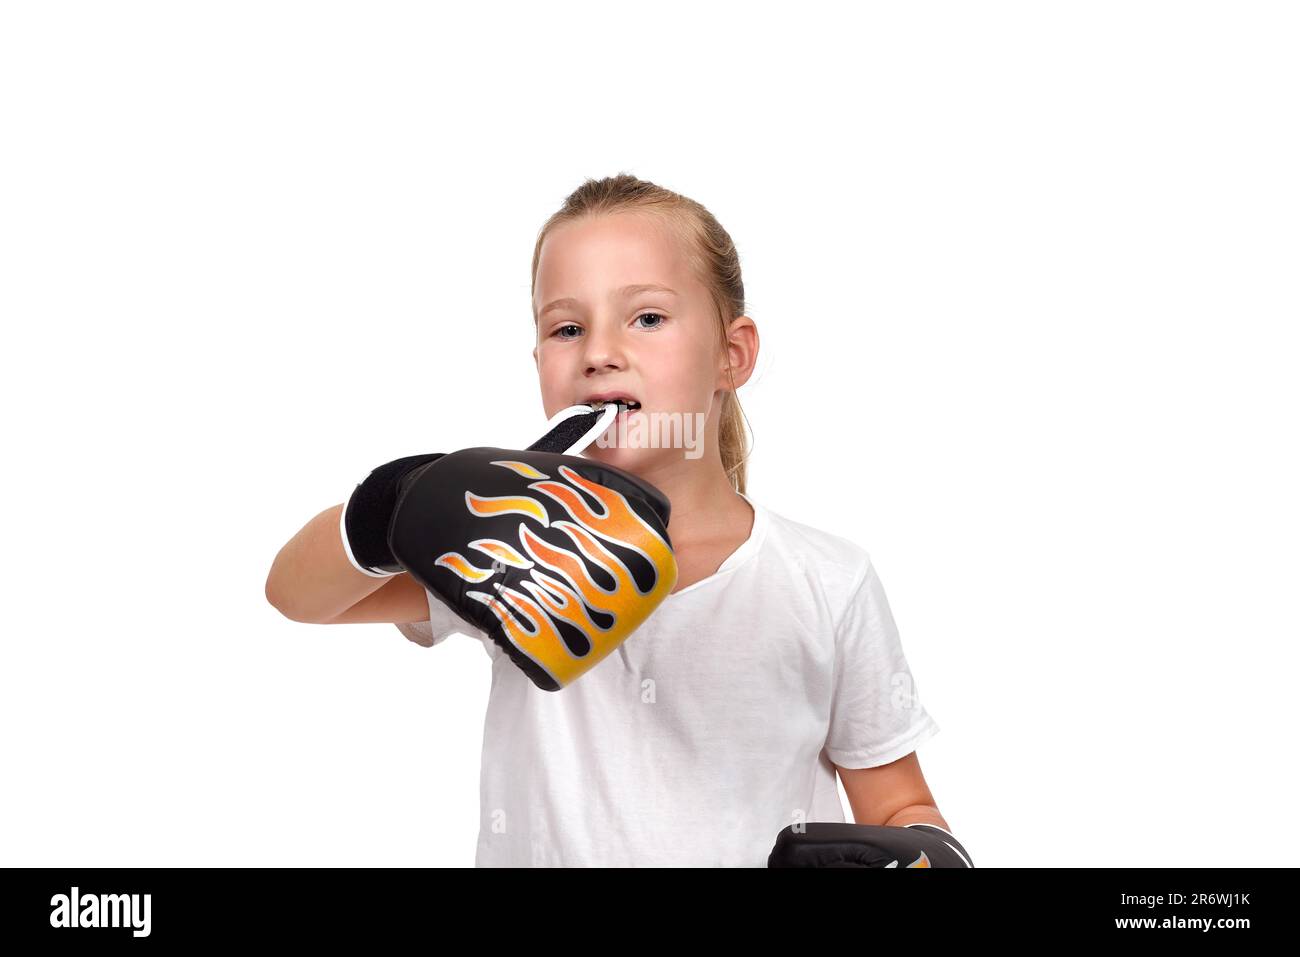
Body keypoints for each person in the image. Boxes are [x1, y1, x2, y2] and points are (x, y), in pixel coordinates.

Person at [265, 173, 959, 867]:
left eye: (647, 317)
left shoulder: (826, 580)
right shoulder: (510, 543)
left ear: (732, 354)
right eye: (567, 328)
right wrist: (392, 505)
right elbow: (297, 596)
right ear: (540, 364)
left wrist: (924, 850)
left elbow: (898, 801)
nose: (598, 352)